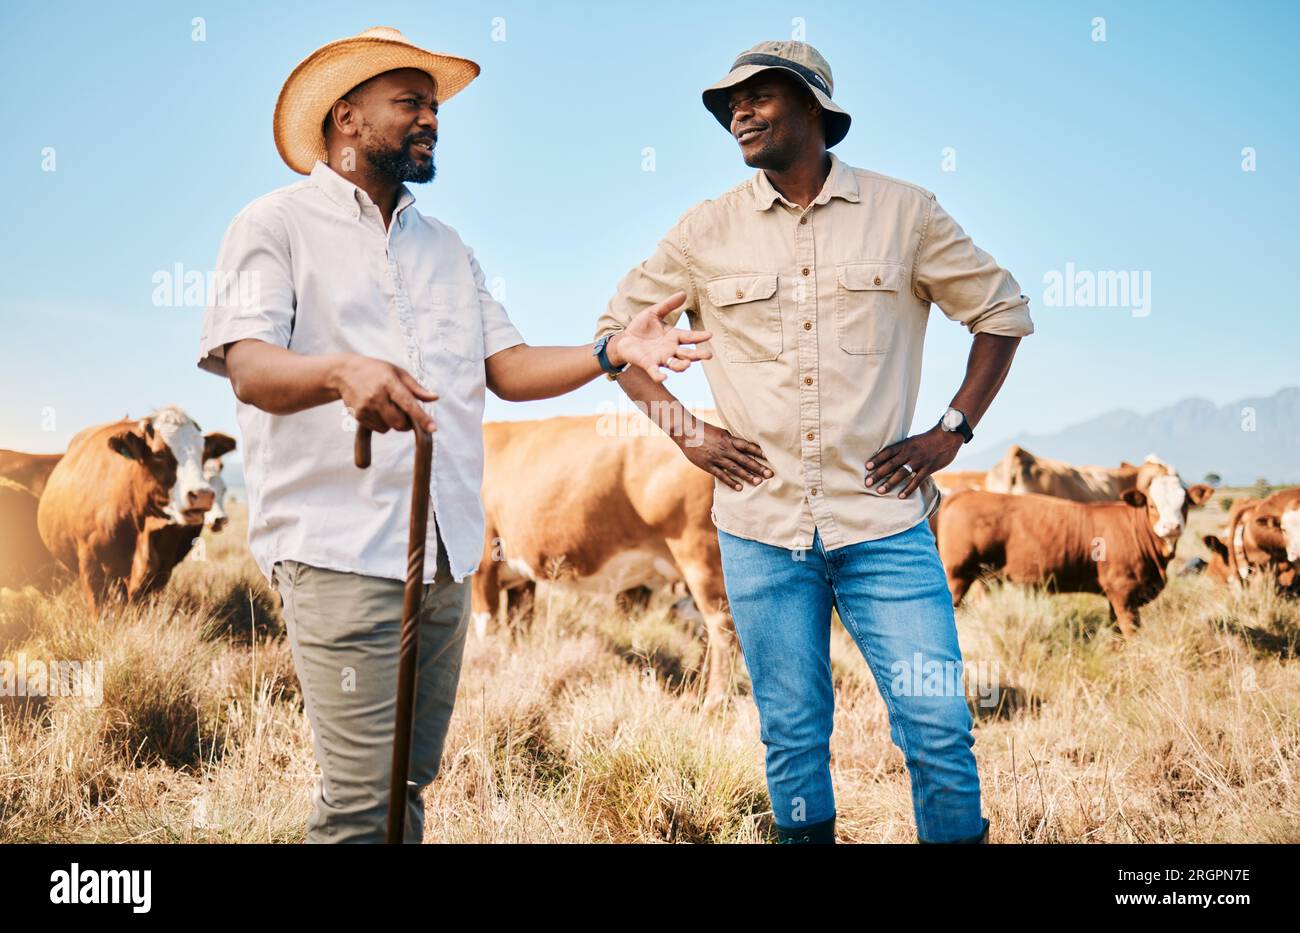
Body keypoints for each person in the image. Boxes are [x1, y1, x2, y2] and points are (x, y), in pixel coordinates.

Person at [196, 27, 711, 843]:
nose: (432, 118)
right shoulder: (273, 224)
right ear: (347, 117)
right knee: (359, 798)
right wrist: (339, 373)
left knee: (405, 780)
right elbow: (250, 365)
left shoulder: (448, 248)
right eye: (411, 102)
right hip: (337, 548)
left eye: (434, 105)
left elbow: (507, 367)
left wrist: (613, 351)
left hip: (441, 550)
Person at [594, 40, 1034, 844]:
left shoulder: (907, 214)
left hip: (886, 527)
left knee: (937, 726)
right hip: (760, 532)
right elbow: (616, 339)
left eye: (757, 97)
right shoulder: (705, 231)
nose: (738, 113)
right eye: (729, 105)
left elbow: (1002, 312)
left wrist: (952, 429)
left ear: (813, 109)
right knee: (793, 740)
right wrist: (688, 435)